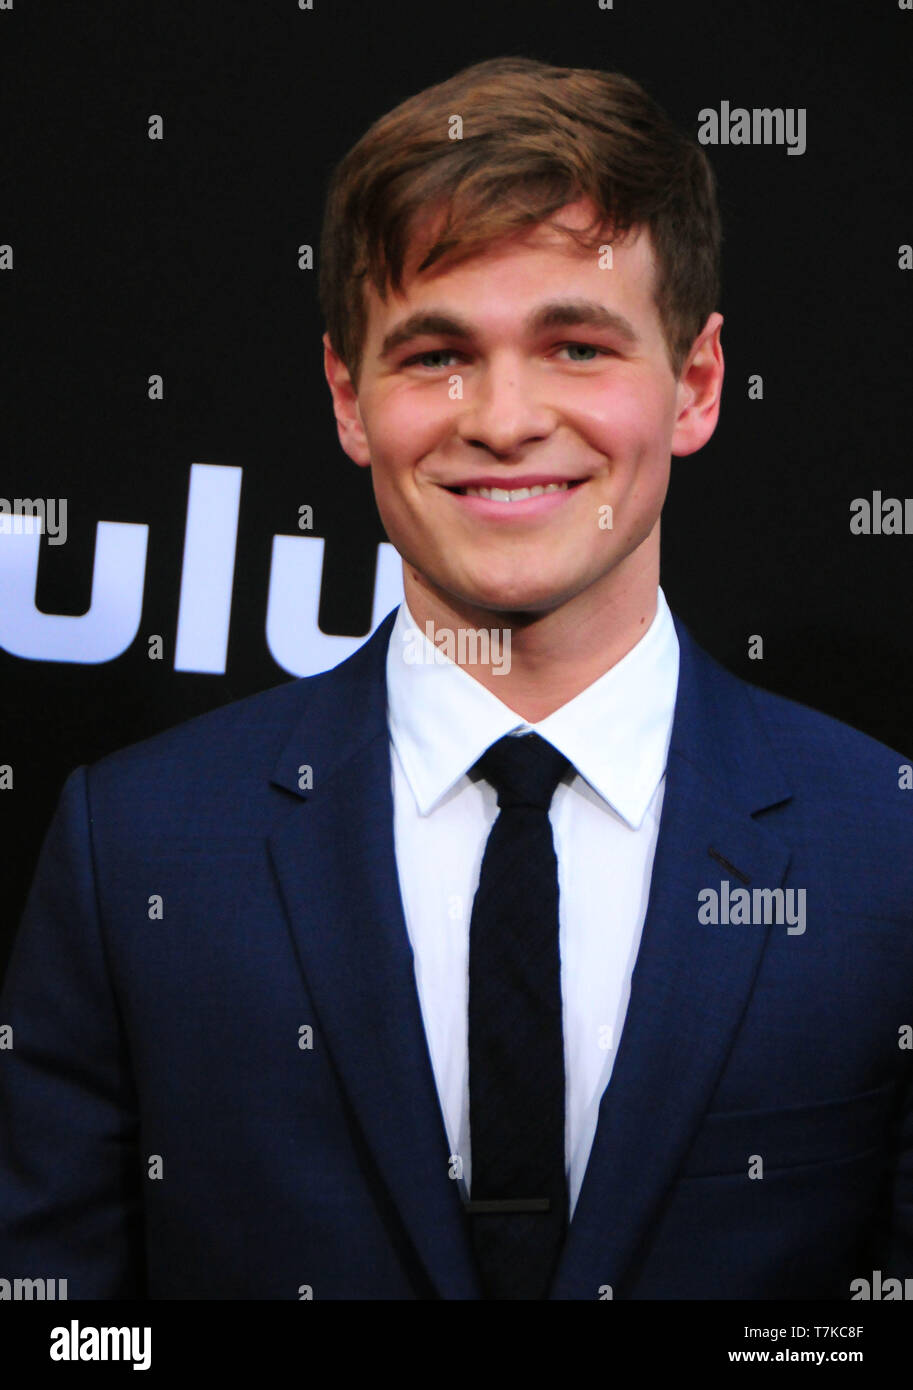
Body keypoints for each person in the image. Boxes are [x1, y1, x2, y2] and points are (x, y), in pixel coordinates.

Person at [1, 55, 911, 1301]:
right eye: (436, 354)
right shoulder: (136, 849)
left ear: (694, 384)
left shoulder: (888, 851)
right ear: (347, 396)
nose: (503, 416)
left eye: (578, 346)